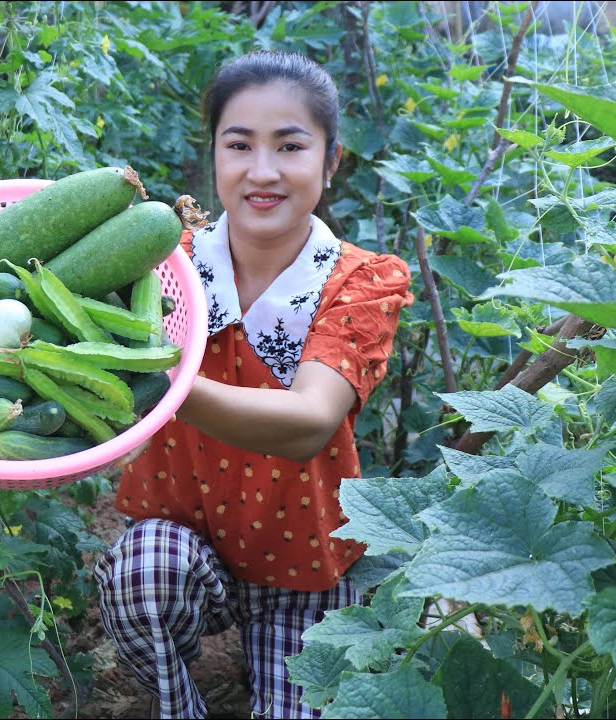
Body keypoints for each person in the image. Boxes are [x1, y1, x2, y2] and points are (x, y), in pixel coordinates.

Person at [94, 50, 413, 719]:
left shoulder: (359, 283)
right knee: (144, 572)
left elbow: (307, 424)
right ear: (213, 156)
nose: (262, 171)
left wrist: (165, 382)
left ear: (330, 162)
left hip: (306, 561)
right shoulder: (162, 267)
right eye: (238, 145)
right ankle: (178, 705)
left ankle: (269, 660)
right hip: (185, 548)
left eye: (290, 147)